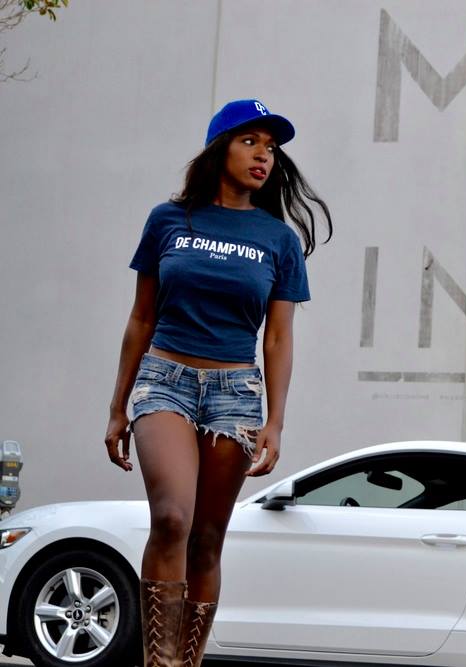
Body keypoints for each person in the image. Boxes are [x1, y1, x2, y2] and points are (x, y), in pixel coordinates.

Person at [103, 99, 332, 667]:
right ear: (219, 148)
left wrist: (275, 422)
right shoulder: (169, 221)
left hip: (235, 395)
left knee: (206, 538)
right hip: (165, 380)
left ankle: (188, 660)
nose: (264, 155)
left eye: (271, 147)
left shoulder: (276, 239)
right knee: (172, 519)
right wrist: (116, 407)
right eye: (250, 141)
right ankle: (161, 663)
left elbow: (277, 339)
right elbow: (141, 317)